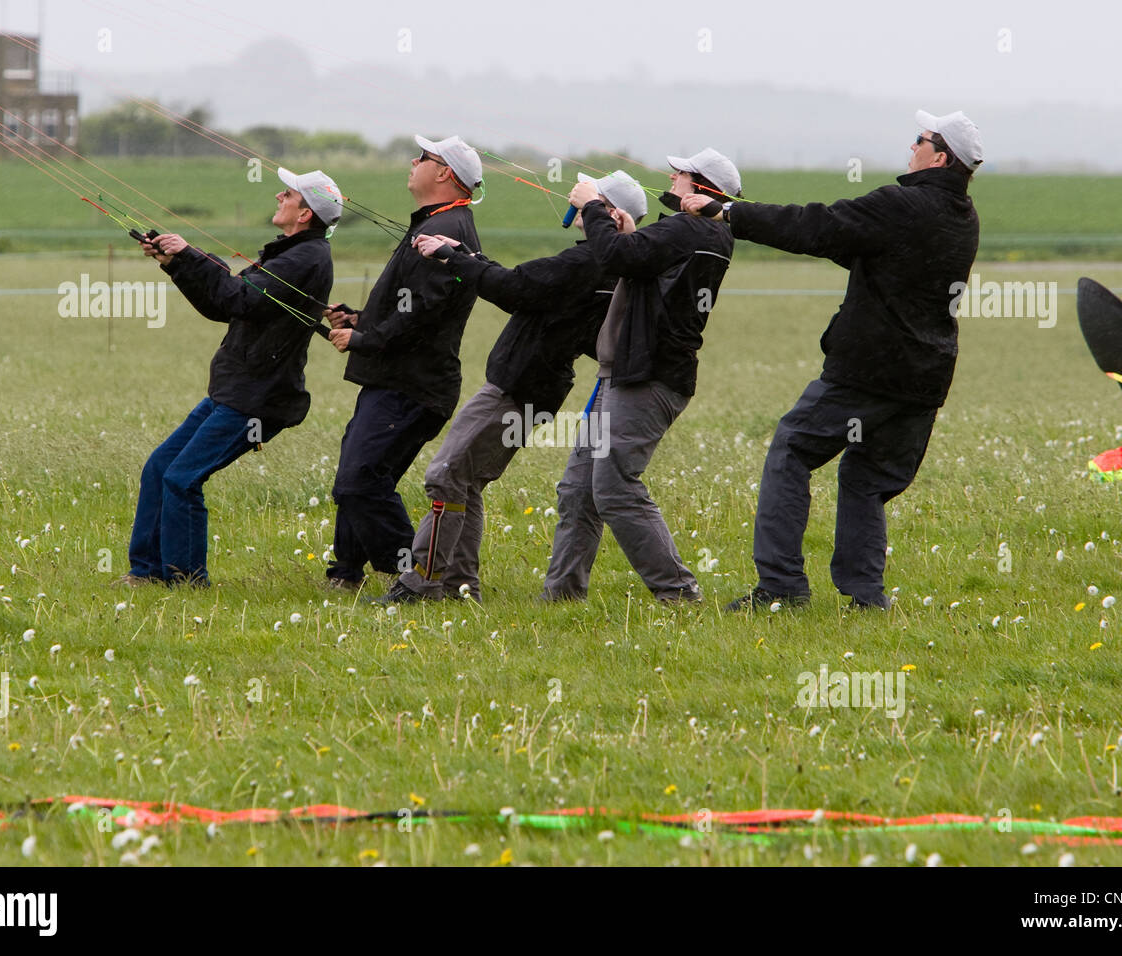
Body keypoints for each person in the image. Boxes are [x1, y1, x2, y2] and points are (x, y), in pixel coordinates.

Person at [681, 110, 982, 612]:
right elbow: (874, 251)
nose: (911, 147)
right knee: (864, 481)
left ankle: (780, 588)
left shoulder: (900, 204)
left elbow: (814, 225)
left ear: (940, 156)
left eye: (919, 140)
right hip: (925, 379)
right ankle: (866, 599)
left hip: (870, 371)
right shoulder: (961, 217)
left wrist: (728, 212)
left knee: (791, 451)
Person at [374, 170, 649, 605]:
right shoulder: (606, 268)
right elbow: (521, 284)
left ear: (610, 215)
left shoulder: (584, 263)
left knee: (444, 475)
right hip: (538, 393)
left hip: (515, 390)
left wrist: (452, 258)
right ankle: (460, 587)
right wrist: (463, 254)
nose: (577, 204)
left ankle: (422, 583)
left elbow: (513, 288)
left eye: (590, 201)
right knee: (466, 480)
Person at [121, 167, 341, 586]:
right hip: (235, 389)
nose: (279, 195)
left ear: (305, 214)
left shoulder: (304, 259)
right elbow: (224, 305)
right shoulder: (289, 252)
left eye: (289, 193)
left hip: (259, 397)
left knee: (182, 478)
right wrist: (177, 264)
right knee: (159, 468)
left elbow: (236, 296)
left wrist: (190, 254)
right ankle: (147, 573)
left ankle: (187, 579)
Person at [541, 149, 738, 604]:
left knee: (612, 487)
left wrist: (592, 204)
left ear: (701, 185)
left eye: (680, 172)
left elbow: (610, 254)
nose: (671, 176)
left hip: (647, 375)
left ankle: (678, 593)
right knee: (578, 489)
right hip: (626, 373)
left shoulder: (691, 228)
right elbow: (634, 259)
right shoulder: (701, 231)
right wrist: (627, 234)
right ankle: (563, 597)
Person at [322, 134, 483, 591]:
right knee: (359, 477)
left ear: (444, 173)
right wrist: (360, 319)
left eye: (424, 157)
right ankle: (346, 573)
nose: (413, 161)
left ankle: (420, 571)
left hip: (411, 386)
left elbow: (423, 311)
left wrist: (366, 338)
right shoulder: (437, 221)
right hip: (396, 380)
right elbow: (407, 304)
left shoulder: (447, 230)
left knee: (359, 481)